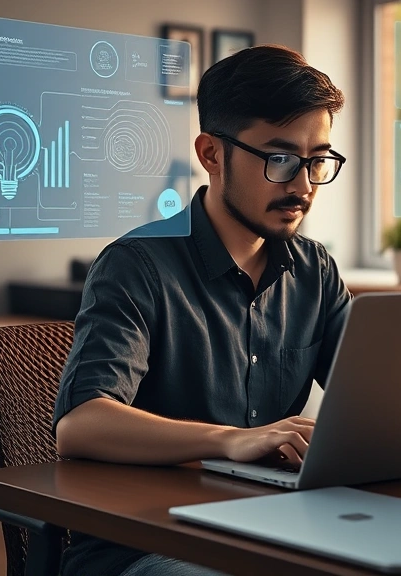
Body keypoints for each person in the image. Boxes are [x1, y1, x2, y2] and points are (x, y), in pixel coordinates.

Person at [52, 44, 351, 576]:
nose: (303, 186)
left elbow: (373, 398)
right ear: (211, 154)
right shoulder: (136, 266)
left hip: (276, 528)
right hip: (147, 542)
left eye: (317, 161)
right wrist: (231, 441)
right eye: (280, 159)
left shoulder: (315, 271)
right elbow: (81, 424)